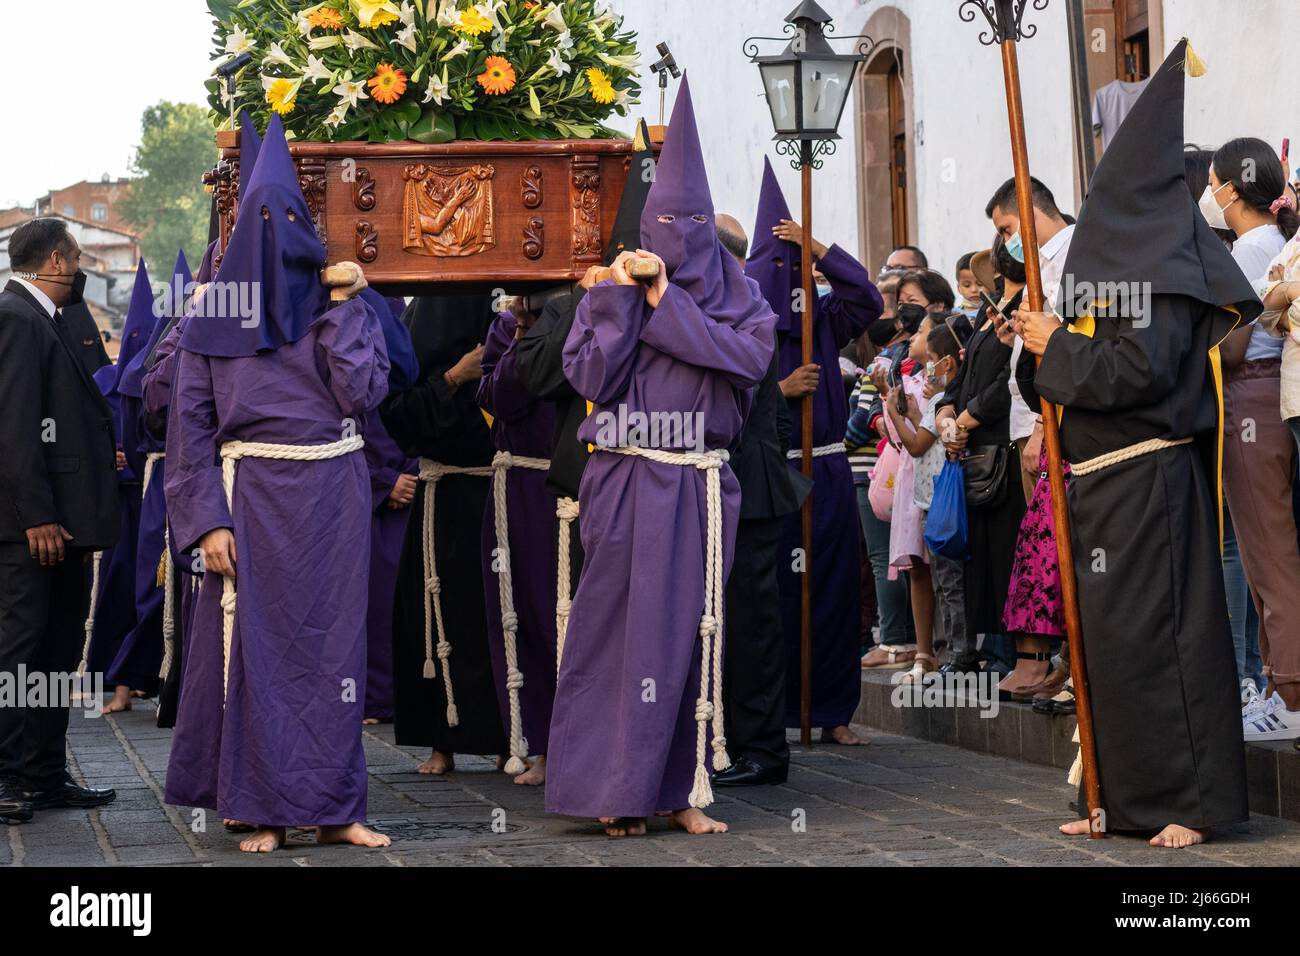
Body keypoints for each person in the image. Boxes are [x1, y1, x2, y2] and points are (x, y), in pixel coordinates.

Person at [1012, 41, 1250, 847]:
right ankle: (1119, 797)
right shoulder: (1122, 267)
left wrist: (1059, 348)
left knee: (1166, 642)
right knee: (1112, 644)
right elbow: (1066, 368)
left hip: (1151, 477)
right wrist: (1036, 346)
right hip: (1104, 481)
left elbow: (1138, 372)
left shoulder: (1166, 268)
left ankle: (1190, 802)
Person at [545, 77, 776, 836]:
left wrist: (664, 305)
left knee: (686, 631)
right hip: (621, 477)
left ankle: (678, 789)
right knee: (612, 631)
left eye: (691, 222)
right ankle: (612, 788)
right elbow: (585, 377)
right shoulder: (609, 291)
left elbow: (745, 360)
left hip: (699, 486)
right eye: (664, 223)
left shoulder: (740, 295)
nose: (678, 236)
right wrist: (615, 301)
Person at [163, 117, 391, 852]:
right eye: (267, 223)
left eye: (292, 222)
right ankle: (256, 804)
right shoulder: (209, 319)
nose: (281, 239)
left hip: (332, 498)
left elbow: (363, 394)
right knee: (254, 650)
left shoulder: (336, 309)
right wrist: (207, 521)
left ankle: (334, 807)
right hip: (252, 498)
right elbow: (187, 429)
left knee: (333, 654)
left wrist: (352, 305)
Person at [747, 162, 884, 746]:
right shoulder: (746, 328)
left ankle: (832, 709)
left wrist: (817, 245)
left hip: (826, 467)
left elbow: (868, 298)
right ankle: (776, 711)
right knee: (776, 592)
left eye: (795, 266)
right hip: (773, 471)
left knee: (831, 589)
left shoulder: (824, 320)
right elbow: (730, 401)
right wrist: (779, 392)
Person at [0, 217, 119, 823]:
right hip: (36, 531)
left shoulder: (43, 318)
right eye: (75, 256)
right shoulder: (16, 318)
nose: (80, 267)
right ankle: (4, 777)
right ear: (51, 259)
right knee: (17, 654)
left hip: (66, 526)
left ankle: (42, 774)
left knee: (55, 653)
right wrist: (37, 517)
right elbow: (15, 430)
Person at [380, 292, 508, 775]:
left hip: (495, 486)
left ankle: (506, 736)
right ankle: (441, 740)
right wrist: (454, 378)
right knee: (430, 619)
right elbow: (397, 412)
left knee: (497, 617)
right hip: (440, 490)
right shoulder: (420, 318)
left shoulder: (510, 310)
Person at [1202, 137, 1300, 741]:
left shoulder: (1246, 252)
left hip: (1251, 396)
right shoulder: (1277, 243)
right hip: (1274, 400)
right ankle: (1276, 685)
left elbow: (1233, 342)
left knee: (1268, 552)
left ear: (1231, 191)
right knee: (1272, 549)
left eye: (1213, 183)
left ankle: (1288, 693)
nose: (1209, 194)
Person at [713, 206, 809, 788]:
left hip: (750, 488)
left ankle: (761, 750)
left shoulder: (741, 302)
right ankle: (731, 736)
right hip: (739, 478)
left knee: (751, 627)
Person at [935, 237, 1026, 683]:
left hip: (1000, 447)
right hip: (971, 449)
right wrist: (946, 415)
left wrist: (966, 421)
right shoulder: (987, 317)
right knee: (981, 558)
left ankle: (1010, 654)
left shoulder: (1024, 307)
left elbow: (1006, 384)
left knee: (1005, 552)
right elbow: (964, 375)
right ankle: (991, 650)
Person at [476, 303, 559, 784]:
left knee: (558, 616)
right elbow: (496, 396)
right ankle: (534, 742)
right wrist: (522, 333)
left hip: (565, 488)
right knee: (517, 618)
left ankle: (565, 744)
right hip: (515, 484)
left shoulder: (575, 315)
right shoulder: (505, 326)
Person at [986, 176, 1076, 506]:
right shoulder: (1040, 264)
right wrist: (1018, 341)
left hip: (1052, 423)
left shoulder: (1074, 255)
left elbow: (1070, 342)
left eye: (1007, 230)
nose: (1006, 241)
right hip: (1029, 420)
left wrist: (1042, 426)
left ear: (1030, 210)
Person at [360, 292, 420, 725]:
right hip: (368, 493)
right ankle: (375, 698)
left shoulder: (404, 316)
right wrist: (383, 481)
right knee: (372, 600)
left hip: (412, 480)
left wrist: (413, 472)